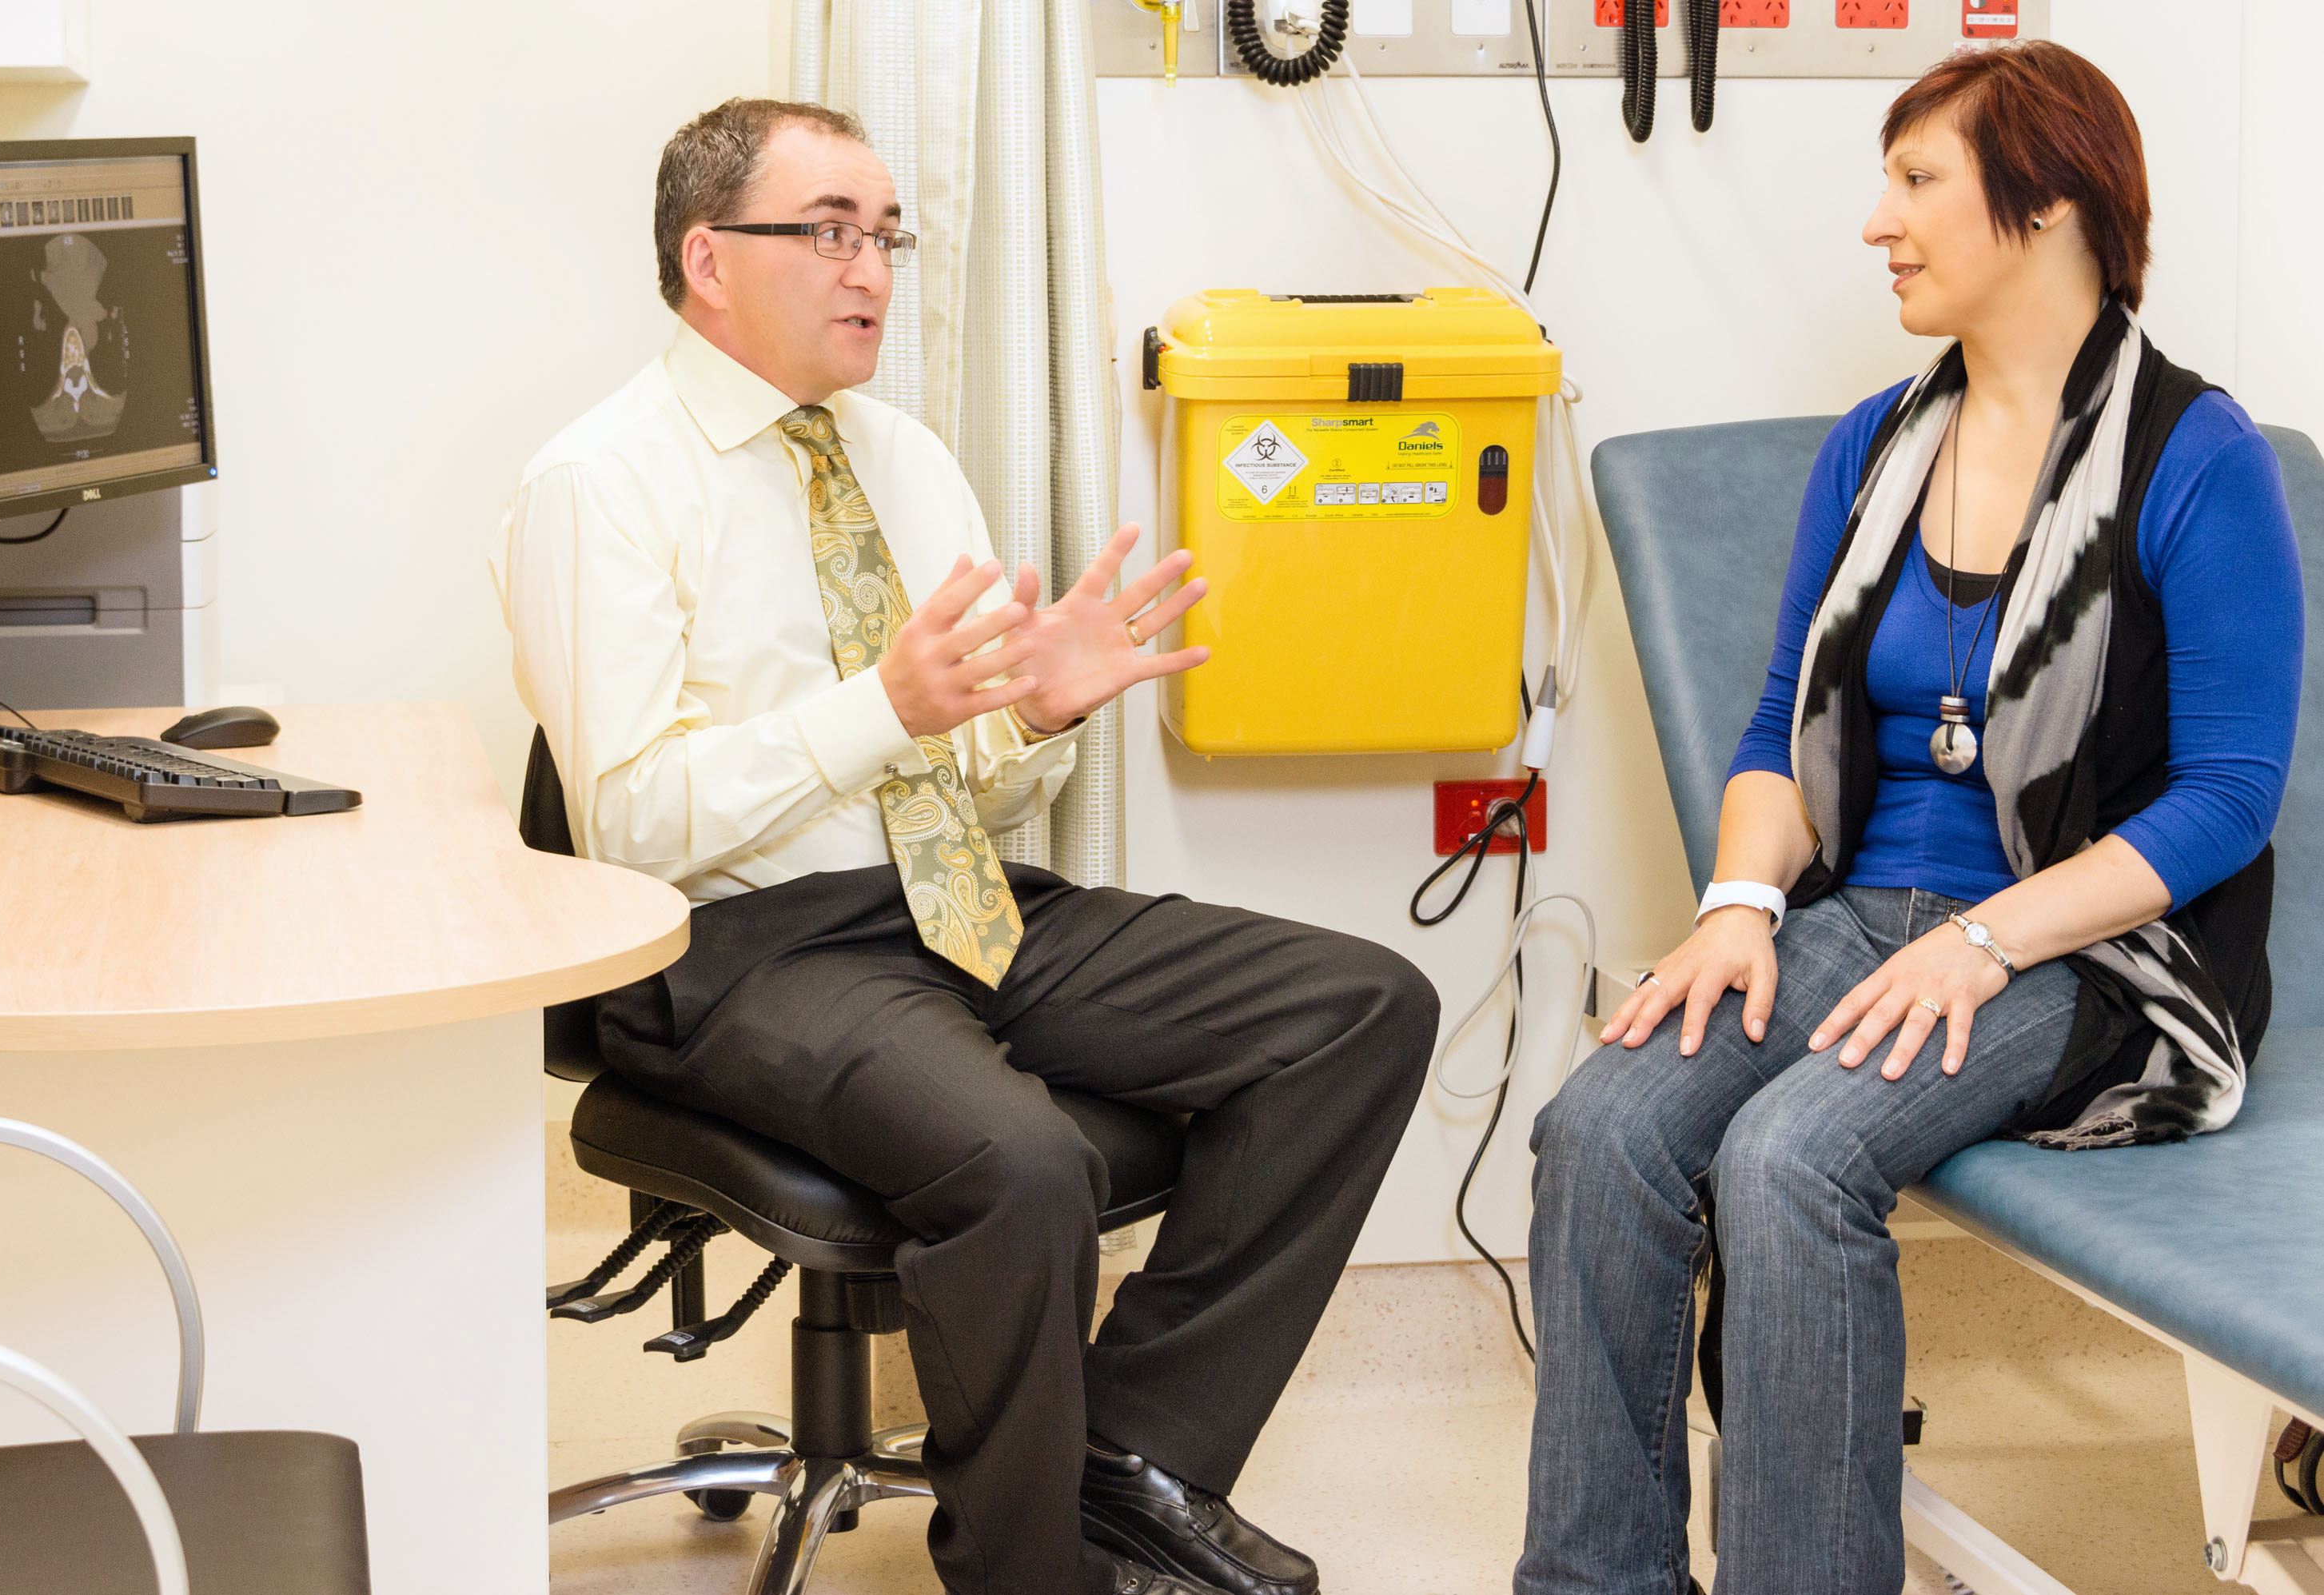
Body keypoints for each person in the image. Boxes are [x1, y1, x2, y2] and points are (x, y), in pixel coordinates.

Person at [507, 98, 1439, 1595]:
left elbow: (970, 778)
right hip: (735, 949)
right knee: (1022, 1162)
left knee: (1359, 1009)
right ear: (707, 259)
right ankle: (1029, 1573)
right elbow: (625, 823)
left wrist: (1035, 718)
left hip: (957, 901)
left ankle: (1130, 1465)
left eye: (886, 233)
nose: (871, 265)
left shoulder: (903, 453)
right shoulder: (600, 483)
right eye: (827, 231)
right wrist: (882, 708)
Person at [1517, 42, 2302, 1595]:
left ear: (2053, 204)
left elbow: (2227, 797)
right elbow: (1776, 737)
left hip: (2098, 958)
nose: (1878, 219)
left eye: (1917, 178)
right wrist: (1741, 903)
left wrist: (1988, 944)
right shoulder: (1877, 447)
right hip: (1867, 919)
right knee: (1599, 1124)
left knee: (1794, 1155)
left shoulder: (2195, 456)